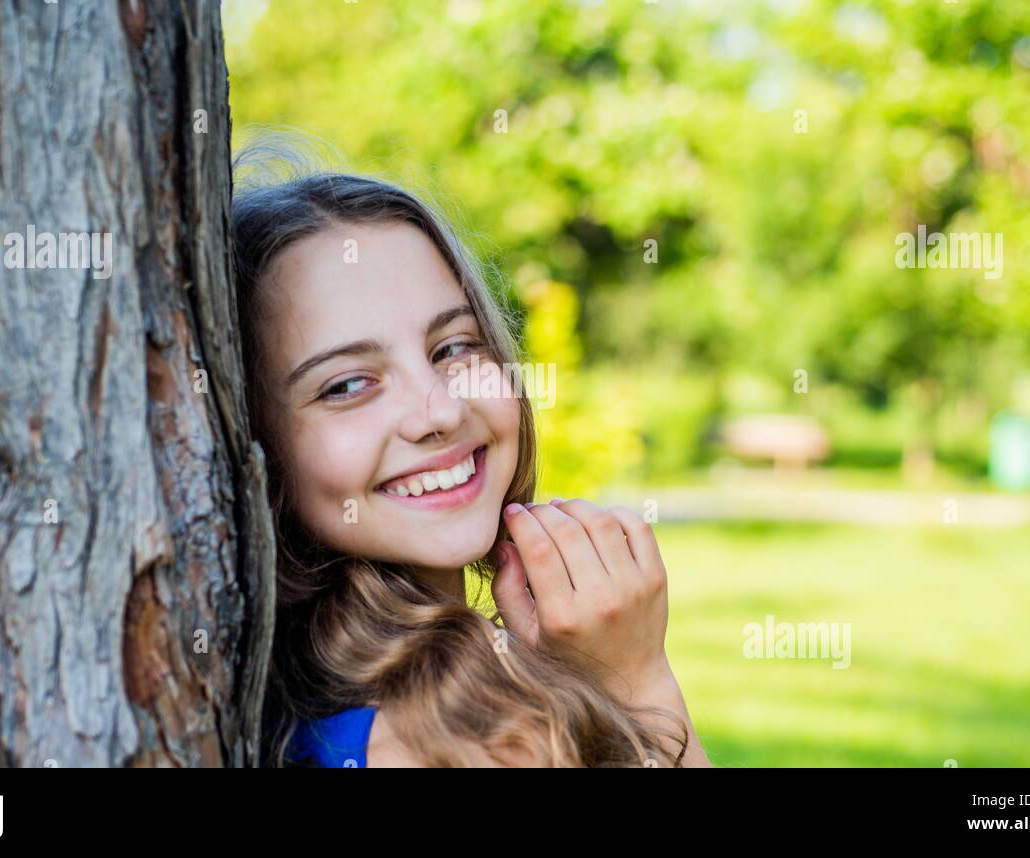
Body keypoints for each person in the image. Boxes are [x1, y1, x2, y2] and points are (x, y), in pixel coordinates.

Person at [230, 131, 710, 767]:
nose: (441, 411)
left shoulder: (302, 701)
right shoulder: (453, 745)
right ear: (256, 441)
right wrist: (638, 684)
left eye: (453, 348)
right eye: (347, 385)